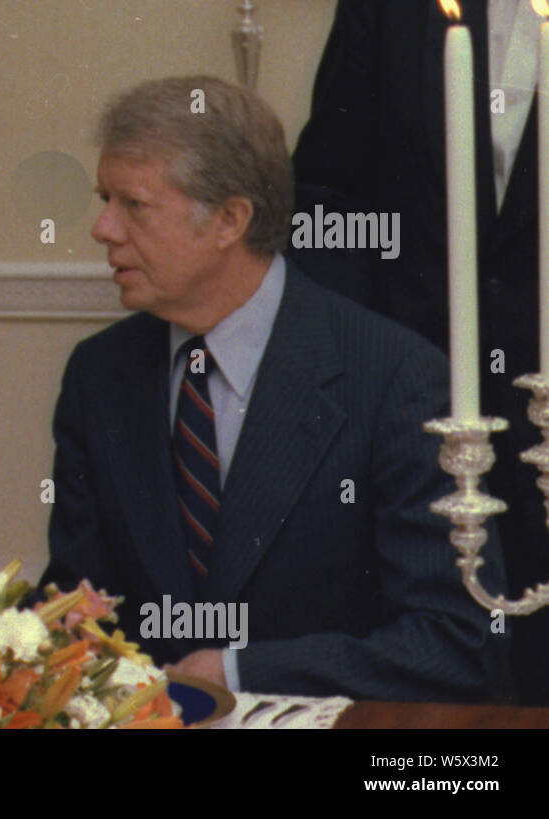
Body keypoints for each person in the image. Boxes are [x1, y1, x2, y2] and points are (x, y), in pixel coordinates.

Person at [39, 75, 507, 701]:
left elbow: (456, 641)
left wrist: (237, 674)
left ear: (229, 220)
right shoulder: (100, 374)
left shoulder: (395, 378)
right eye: (105, 199)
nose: (103, 228)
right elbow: (76, 609)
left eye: (134, 205)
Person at [290, 0, 549, 704]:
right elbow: (328, 195)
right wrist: (366, 362)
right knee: (441, 672)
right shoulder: (392, 9)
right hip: (419, 412)